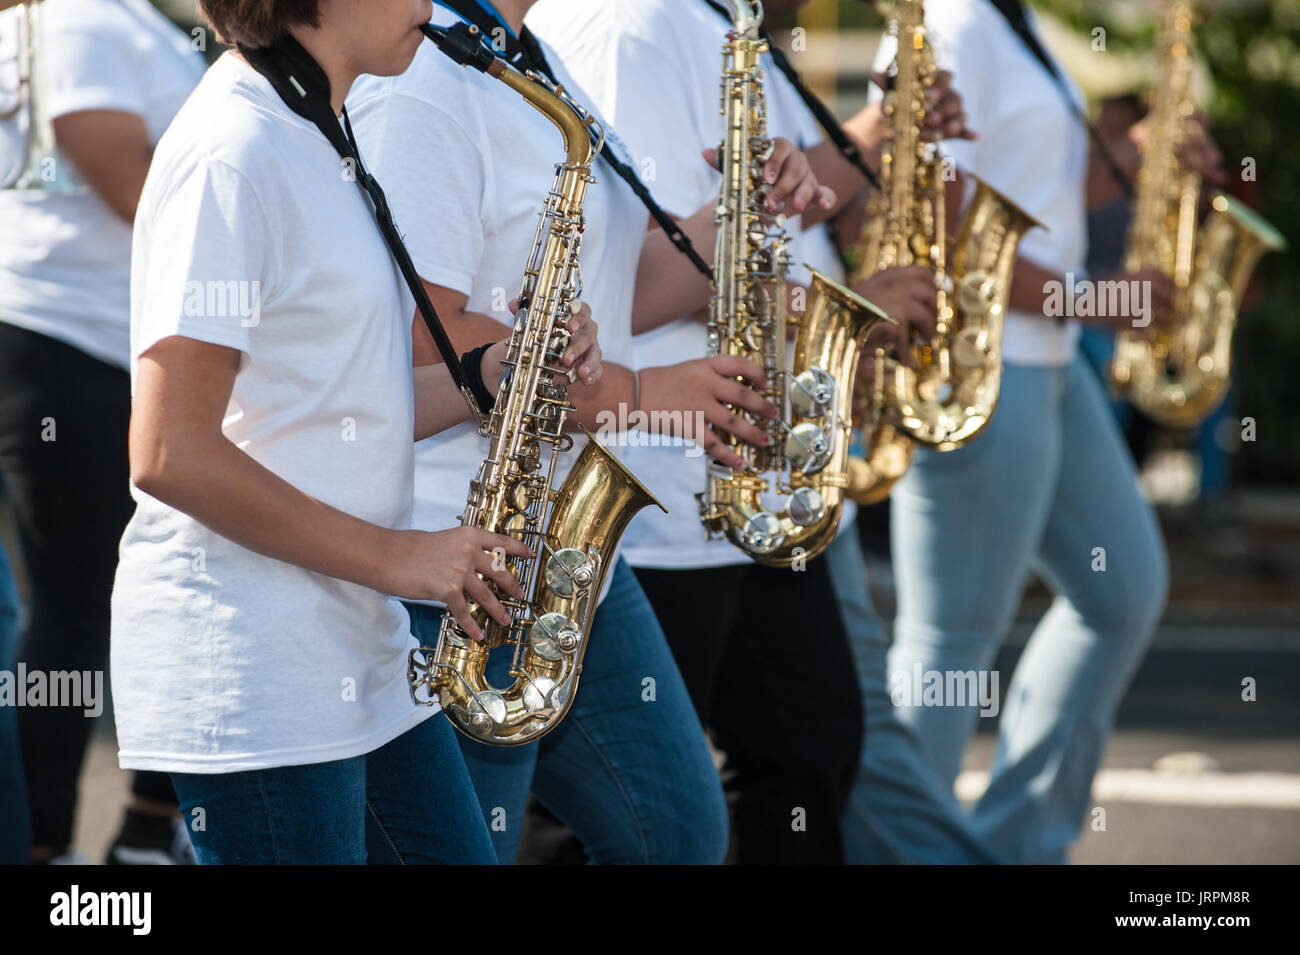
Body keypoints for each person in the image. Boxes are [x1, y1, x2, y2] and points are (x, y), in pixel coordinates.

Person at [109, 0, 600, 864]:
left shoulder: (322, 132)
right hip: (259, 666)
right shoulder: (233, 151)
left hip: (355, 647)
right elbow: (168, 452)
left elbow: (333, 407)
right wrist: (401, 557)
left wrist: (498, 375)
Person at [348, 0, 838, 864]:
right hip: (461, 546)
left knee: (680, 831)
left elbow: (632, 291)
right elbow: (412, 333)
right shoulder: (425, 81)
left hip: (564, 540)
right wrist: (642, 391)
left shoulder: (528, 58)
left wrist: (745, 207)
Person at [527, 0, 972, 863]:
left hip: (744, 482)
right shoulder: (636, 25)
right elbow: (636, 271)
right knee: (609, 814)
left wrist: (880, 134)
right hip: (656, 500)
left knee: (809, 752)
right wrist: (840, 315)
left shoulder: (722, 22)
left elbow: (762, 220)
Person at [865, 0, 1230, 863]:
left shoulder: (1011, 23)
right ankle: (908, 855)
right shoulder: (950, 20)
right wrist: (1100, 298)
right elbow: (937, 214)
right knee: (952, 638)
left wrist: (1138, 163)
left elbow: (1037, 196)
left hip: (1044, 358)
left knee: (1122, 591)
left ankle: (1012, 844)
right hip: (979, 366)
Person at [0, 0, 207, 864]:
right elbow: (139, 191)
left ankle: (137, 827)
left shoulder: (126, 17)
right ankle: (45, 840)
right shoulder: (83, 16)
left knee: (84, 603)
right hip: (63, 345)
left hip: (86, 347)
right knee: (75, 606)